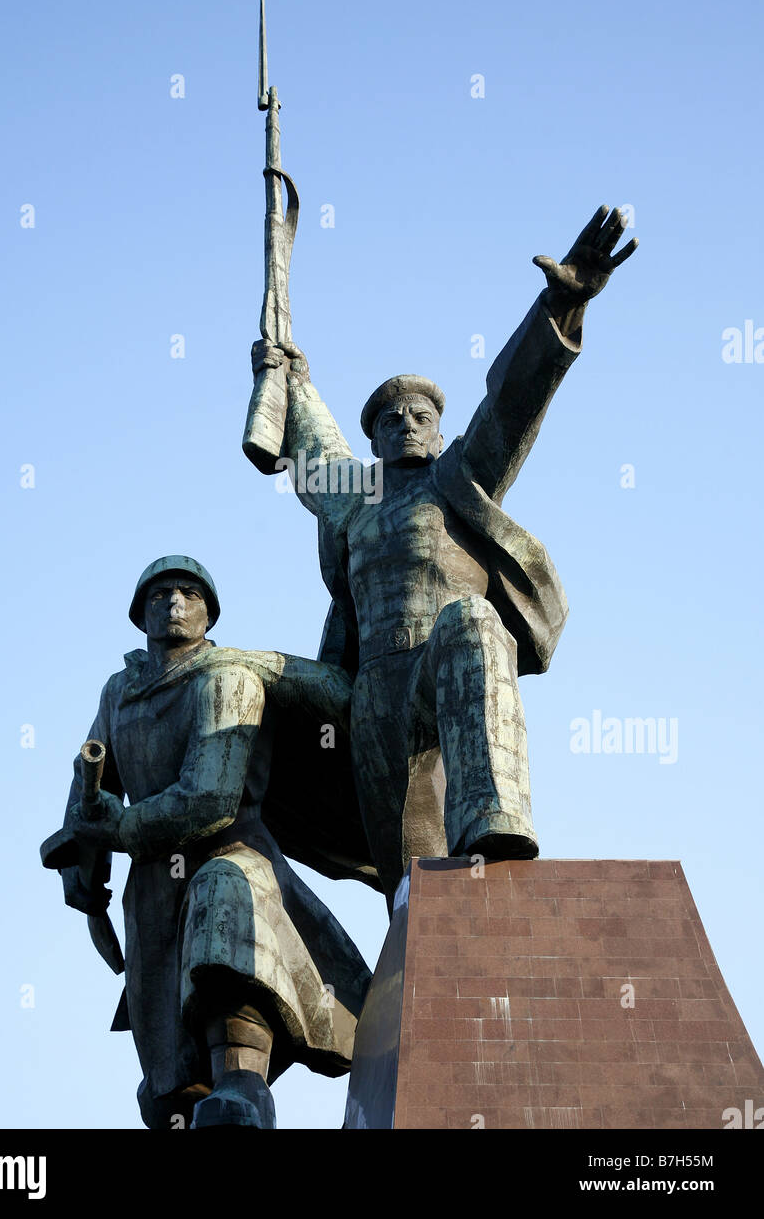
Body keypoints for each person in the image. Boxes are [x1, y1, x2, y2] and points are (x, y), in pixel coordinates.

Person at [249, 206, 638, 903]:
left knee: (472, 623)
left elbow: (511, 403)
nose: (405, 425)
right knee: (413, 892)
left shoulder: (459, 477)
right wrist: (291, 374)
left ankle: (494, 822)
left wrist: (561, 304)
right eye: (389, 421)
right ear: (370, 444)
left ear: (438, 431)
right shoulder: (351, 501)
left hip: (442, 663)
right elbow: (309, 443)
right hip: (369, 693)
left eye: (419, 417)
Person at [45, 555, 372, 1129]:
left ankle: (245, 1087)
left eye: (188, 594)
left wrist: (116, 829)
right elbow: (88, 782)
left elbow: (209, 797)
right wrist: (82, 863)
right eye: (159, 595)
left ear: (208, 612)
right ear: (139, 614)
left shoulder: (226, 676)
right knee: (169, 1075)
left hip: (230, 851)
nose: (173, 603)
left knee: (225, 923)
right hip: (151, 878)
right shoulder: (118, 692)